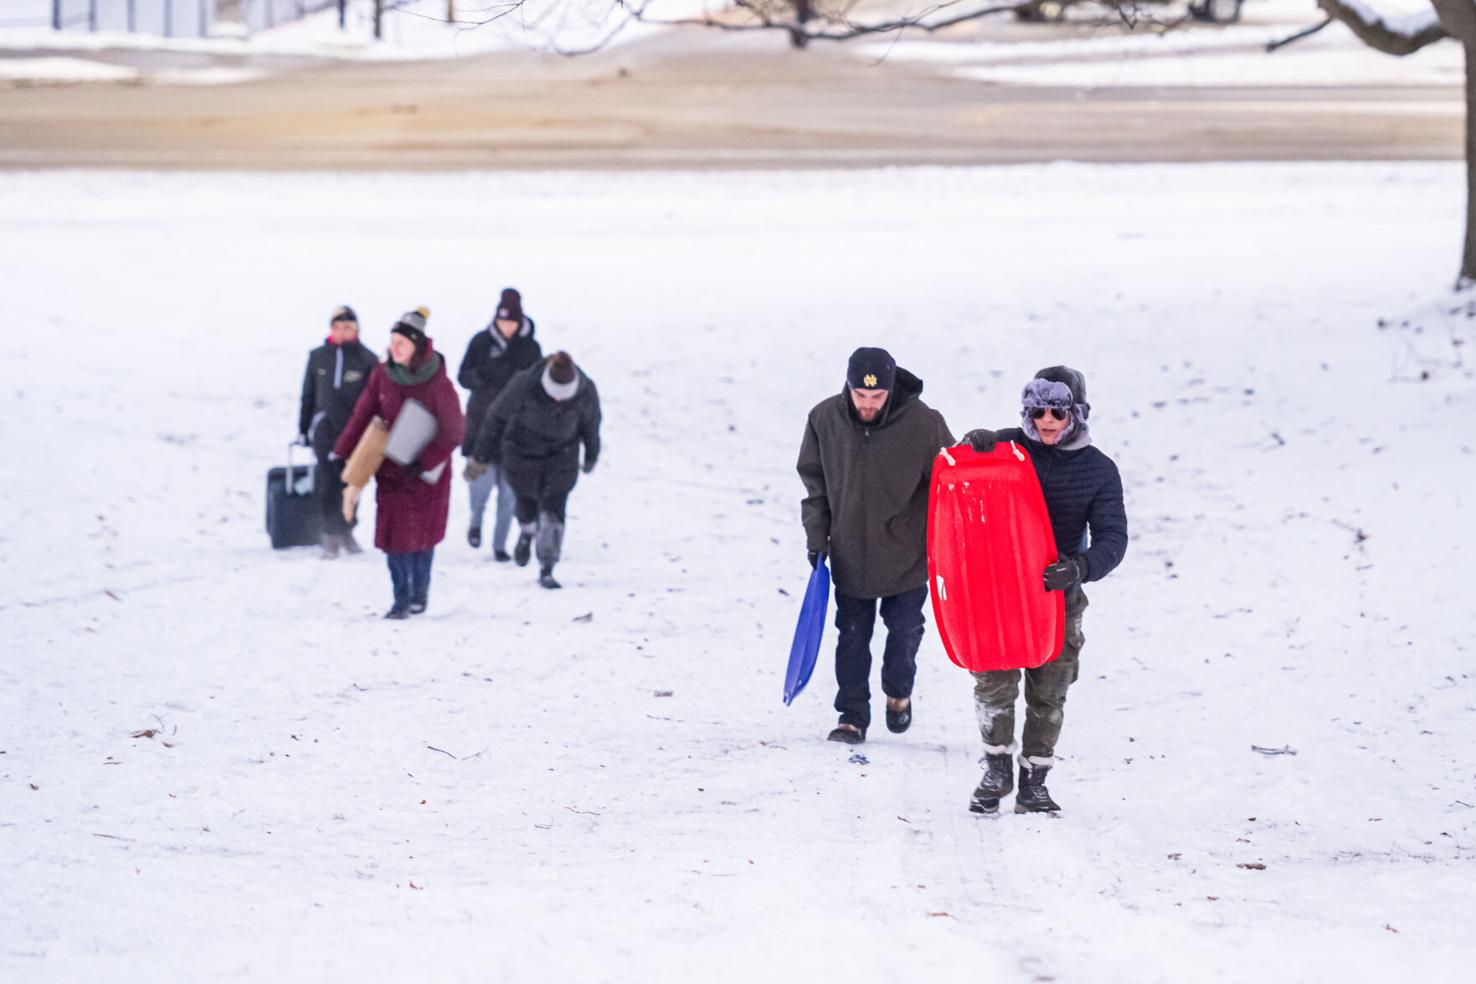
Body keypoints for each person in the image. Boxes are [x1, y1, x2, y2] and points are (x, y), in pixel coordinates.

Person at [960, 366, 1128, 814]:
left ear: (1077, 413)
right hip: (998, 589)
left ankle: (1035, 782)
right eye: (1038, 412)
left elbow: (1114, 538)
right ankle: (996, 769)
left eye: (1057, 411)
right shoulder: (1005, 448)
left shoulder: (1098, 471)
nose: (1047, 421)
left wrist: (1079, 568)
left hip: (1057, 593)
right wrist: (969, 447)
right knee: (993, 682)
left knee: (1049, 690)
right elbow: (956, 482)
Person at [797, 347, 954, 745]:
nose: (867, 404)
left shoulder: (924, 424)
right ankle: (851, 716)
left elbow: (951, 481)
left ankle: (898, 692)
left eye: (877, 396)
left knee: (903, 632)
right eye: (860, 395)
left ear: (890, 389)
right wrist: (817, 537)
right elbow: (814, 485)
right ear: (848, 387)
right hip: (850, 550)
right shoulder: (824, 419)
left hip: (908, 555)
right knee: (852, 636)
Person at [334, 308, 466, 619]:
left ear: (417, 346)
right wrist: (344, 452)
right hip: (391, 470)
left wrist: (423, 462)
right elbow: (363, 414)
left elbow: (453, 431)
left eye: (401, 343)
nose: (395, 348)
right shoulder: (382, 374)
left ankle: (419, 593)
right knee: (394, 538)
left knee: (422, 538)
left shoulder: (438, 382)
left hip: (427, 475)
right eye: (392, 341)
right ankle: (401, 599)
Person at [473, 351, 600, 590]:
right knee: (527, 503)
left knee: (554, 511)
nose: (558, 400)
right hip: (522, 452)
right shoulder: (525, 382)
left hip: (562, 455)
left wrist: (592, 455)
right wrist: (481, 454)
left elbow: (591, 425)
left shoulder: (586, 391)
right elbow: (497, 416)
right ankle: (527, 531)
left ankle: (547, 567)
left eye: (564, 396)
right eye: (554, 395)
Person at [459, 288, 543, 561]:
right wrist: (484, 378)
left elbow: (535, 385)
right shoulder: (481, 342)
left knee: (508, 494)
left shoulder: (531, 348)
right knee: (479, 486)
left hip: (514, 431)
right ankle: (475, 523)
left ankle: (500, 545)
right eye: (502, 321)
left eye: (511, 322)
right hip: (480, 424)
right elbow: (463, 375)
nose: (506, 327)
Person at [297, 305, 378, 557]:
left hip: (356, 433)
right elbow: (308, 394)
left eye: (347, 328)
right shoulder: (318, 357)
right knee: (327, 483)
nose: (342, 332)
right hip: (324, 431)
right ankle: (330, 534)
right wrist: (303, 428)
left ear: (356, 330)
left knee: (352, 483)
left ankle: (347, 531)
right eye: (337, 327)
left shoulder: (368, 359)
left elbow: (375, 399)